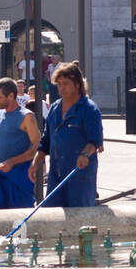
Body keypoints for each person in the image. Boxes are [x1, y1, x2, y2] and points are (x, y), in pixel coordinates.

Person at [33, 61, 104, 209]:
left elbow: (95, 140)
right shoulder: (54, 108)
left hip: (80, 176)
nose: (61, 88)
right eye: (59, 84)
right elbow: (46, 141)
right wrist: (35, 163)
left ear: (77, 84)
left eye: (65, 83)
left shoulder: (89, 109)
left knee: (80, 219)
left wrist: (85, 154)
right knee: (53, 217)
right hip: (56, 174)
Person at [0, 77, 40, 209]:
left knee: (20, 219)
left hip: (19, 176)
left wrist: (11, 162)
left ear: (11, 96)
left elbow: (36, 147)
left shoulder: (27, 116)